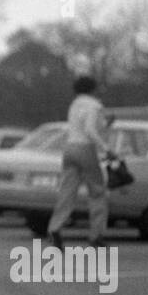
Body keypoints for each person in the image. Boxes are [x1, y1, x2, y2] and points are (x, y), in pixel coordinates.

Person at [45, 75, 112, 250]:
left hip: (69, 148)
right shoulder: (95, 105)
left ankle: (54, 228)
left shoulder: (74, 105)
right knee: (97, 192)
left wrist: (106, 124)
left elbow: (82, 126)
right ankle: (96, 235)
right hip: (85, 149)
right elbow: (90, 130)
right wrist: (106, 148)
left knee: (67, 191)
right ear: (92, 89)